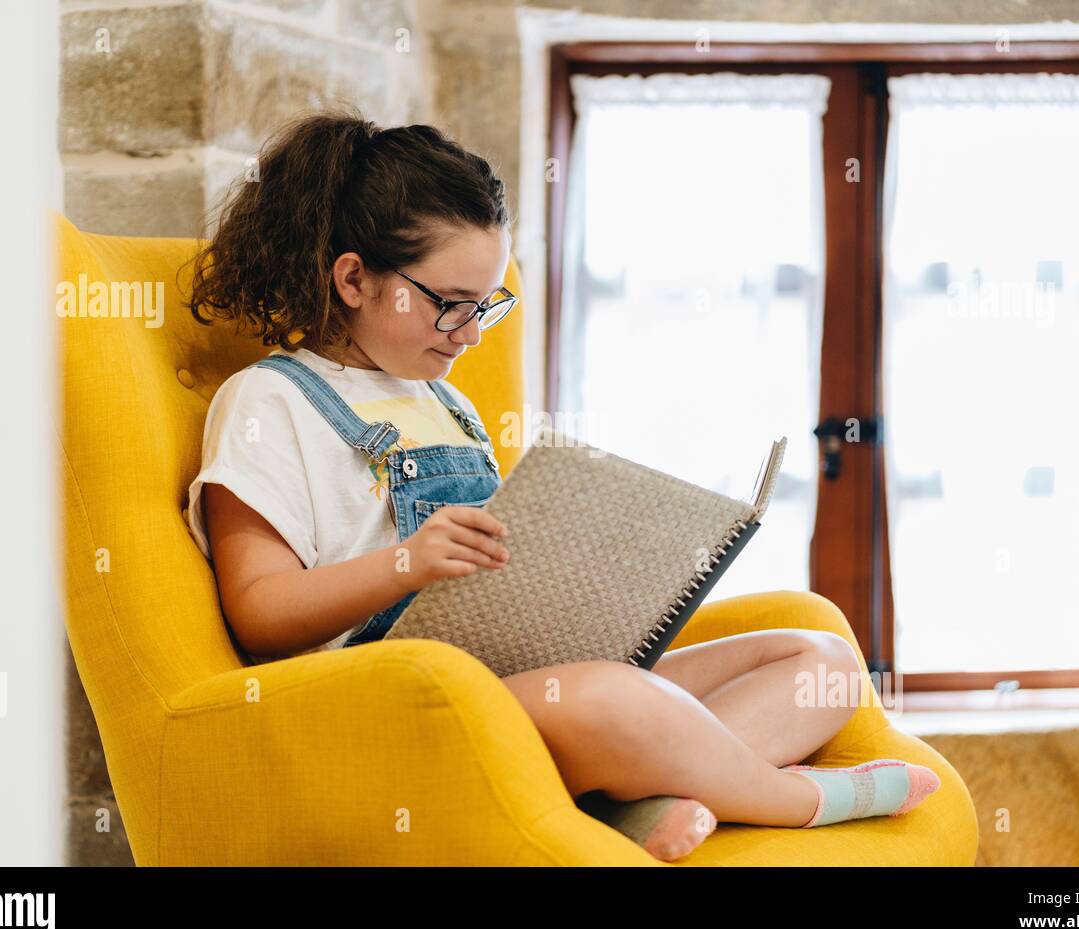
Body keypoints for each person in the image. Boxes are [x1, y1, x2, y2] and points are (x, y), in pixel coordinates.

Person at [183, 111, 940, 862]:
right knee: (612, 699)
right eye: (452, 303)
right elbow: (258, 613)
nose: (472, 332)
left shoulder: (444, 402)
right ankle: (791, 800)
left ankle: (645, 803)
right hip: (402, 713)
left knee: (822, 663)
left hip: (523, 689)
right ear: (354, 278)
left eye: (485, 306)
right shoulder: (269, 403)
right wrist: (407, 562)